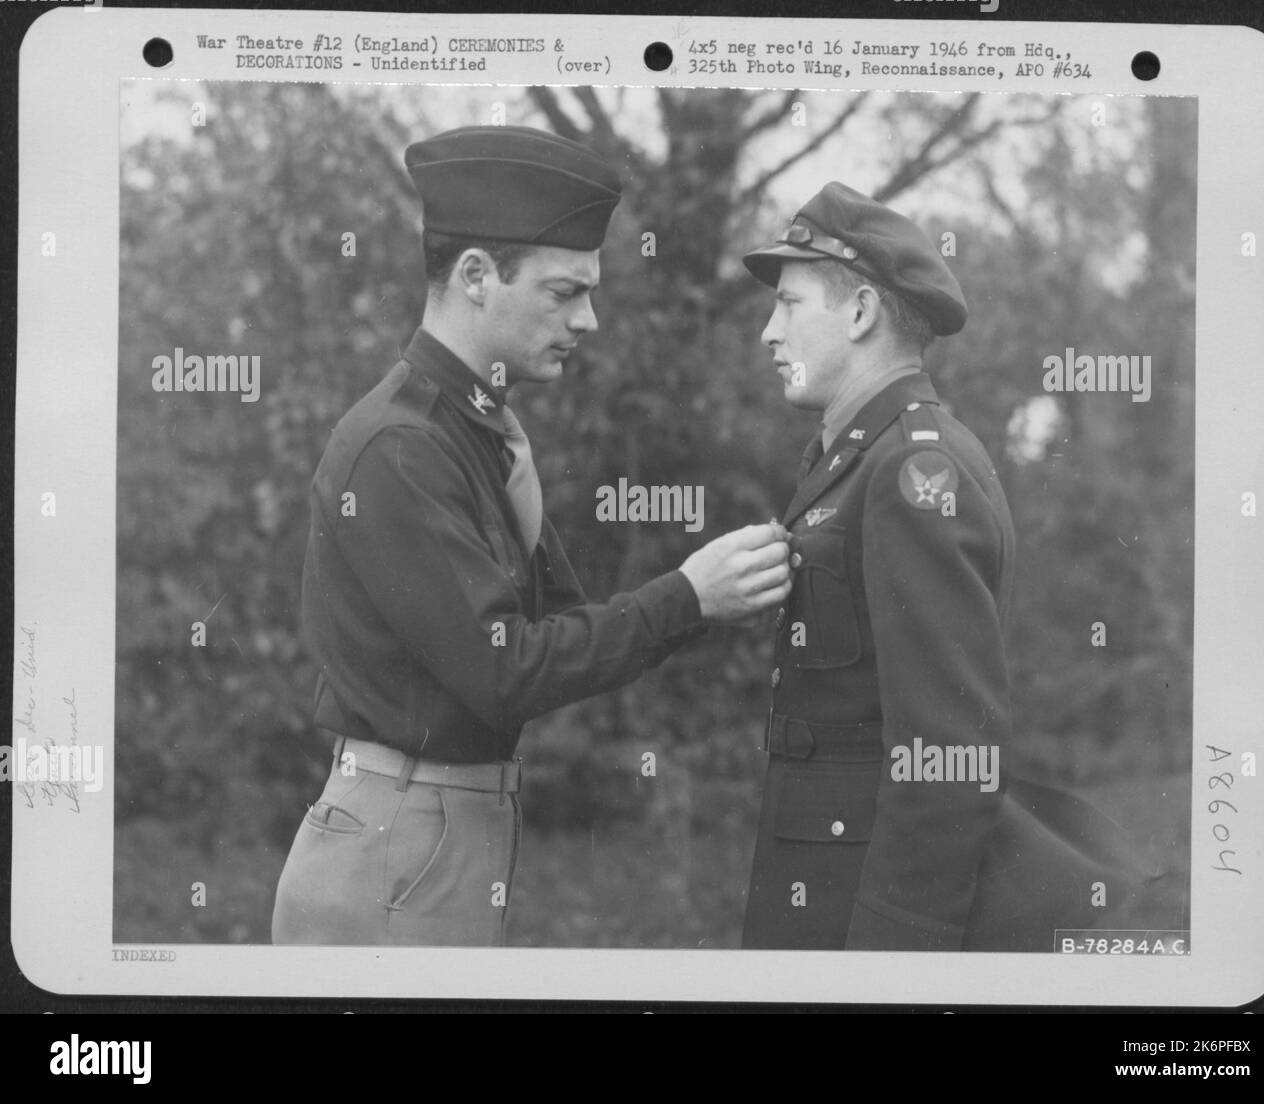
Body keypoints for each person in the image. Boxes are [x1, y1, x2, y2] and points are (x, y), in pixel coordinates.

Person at [271, 125, 791, 946]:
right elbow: (507, 671)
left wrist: (699, 600)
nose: (588, 319)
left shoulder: (481, 433)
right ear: (476, 276)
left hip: (439, 831)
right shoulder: (403, 447)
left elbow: (565, 630)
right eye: (563, 292)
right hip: (399, 846)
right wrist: (691, 595)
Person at [738, 181, 1016, 951]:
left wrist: (896, 953)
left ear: (860, 313)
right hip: (817, 869)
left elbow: (949, 748)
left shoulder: (909, 472)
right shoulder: (860, 457)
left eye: (789, 305)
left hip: (856, 904)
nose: (769, 332)